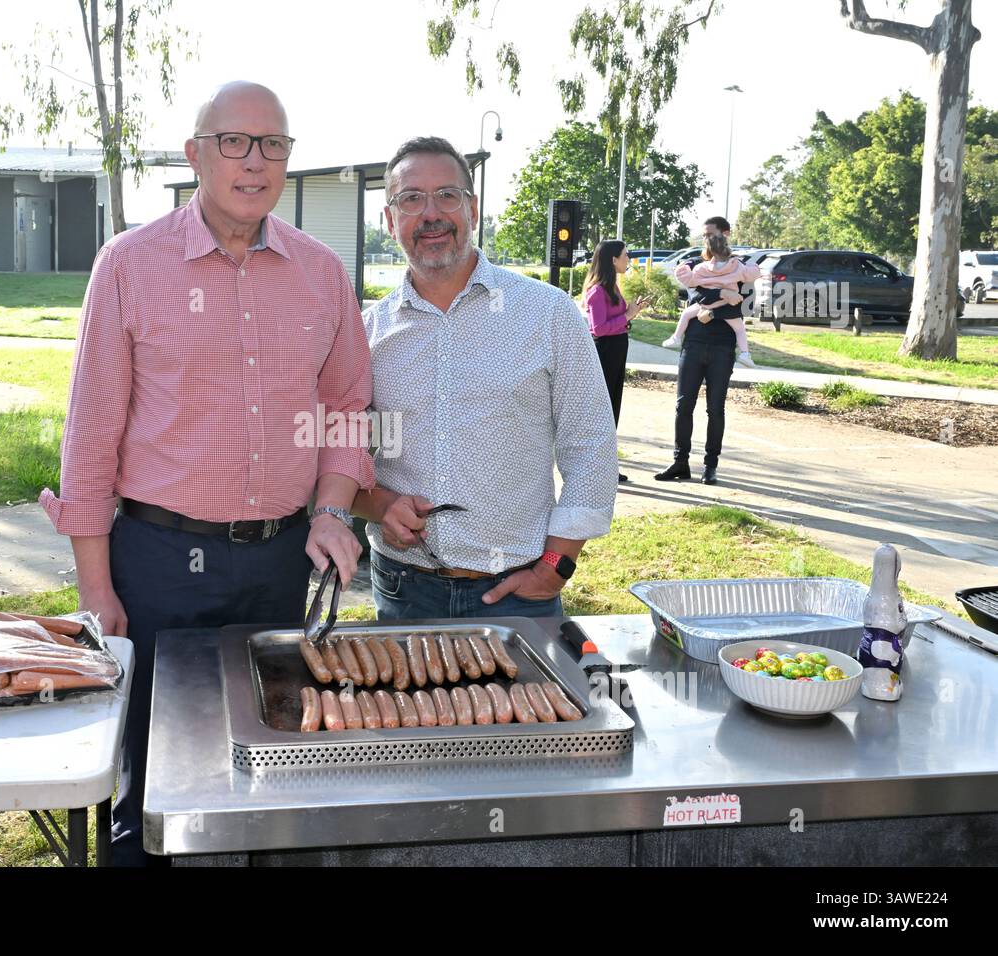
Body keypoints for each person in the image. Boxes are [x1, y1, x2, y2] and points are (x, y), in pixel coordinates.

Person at [37, 81, 374, 866]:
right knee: (156, 780)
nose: (255, 162)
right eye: (235, 141)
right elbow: (91, 435)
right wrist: (96, 586)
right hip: (159, 566)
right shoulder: (129, 264)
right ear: (195, 154)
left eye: (273, 145)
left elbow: (348, 406)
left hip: (281, 561)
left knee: (274, 765)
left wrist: (332, 512)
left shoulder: (322, 274)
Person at [354, 136, 617, 620]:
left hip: (521, 594)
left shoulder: (547, 314)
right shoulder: (366, 333)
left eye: (447, 195)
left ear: (472, 209)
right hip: (403, 589)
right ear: (390, 222)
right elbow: (338, 455)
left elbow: (592, 448)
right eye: (411, 199)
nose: (431, 213)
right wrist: (380, 505)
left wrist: (556, 566)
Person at [654, 216, 758, 486]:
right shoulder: (701, 266)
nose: (706, 240)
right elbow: (697, 296)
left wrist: (712, 307)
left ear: (725, 234)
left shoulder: (740, 267)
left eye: (710, 234)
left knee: (715, 409)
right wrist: (713, 303)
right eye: (704, 236)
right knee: (683, 405)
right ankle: (680, 462)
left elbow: (740, 302)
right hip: (694, 343)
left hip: (722, 346)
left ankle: (710, 466)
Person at [582, 239, 653, 484]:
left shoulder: (612, 287)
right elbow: (598, 329)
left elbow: (617, 321)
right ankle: (595, 470)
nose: (628, 260)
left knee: (612, 411)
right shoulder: (597, 291)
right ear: (613, 259)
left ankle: (606, 467)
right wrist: (627, 315)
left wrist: (631, 312)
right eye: (625, 255)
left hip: (616, 352)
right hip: (605, 355)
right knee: (603, 413)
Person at [662, 232, 757, 367]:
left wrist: (680, 270)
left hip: (706, 303)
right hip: (727, 302)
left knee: (686, 314)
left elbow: (691, 280)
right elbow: (750, 275)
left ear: (707, 250)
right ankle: (745, 354)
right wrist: (754, 266)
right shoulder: (737, 266)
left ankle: (676, 338)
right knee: (739, 328)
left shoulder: (702, 267)